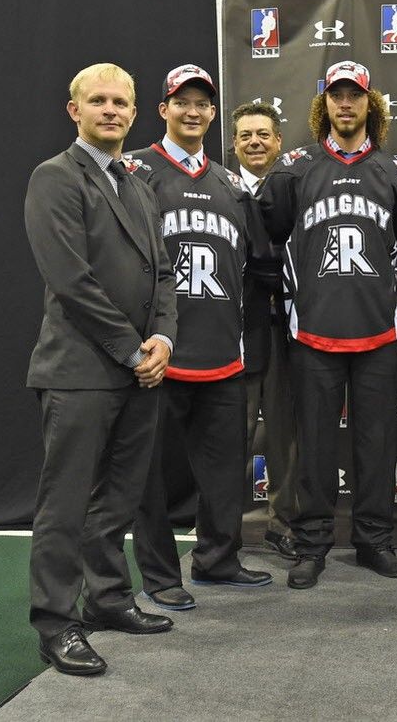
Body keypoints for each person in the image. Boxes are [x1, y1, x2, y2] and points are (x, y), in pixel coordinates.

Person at [24, 63, 177, 675]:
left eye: (120, 102)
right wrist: (133, 350)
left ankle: (108, 599)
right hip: (80, 371)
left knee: (119, 499)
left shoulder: (137, 183)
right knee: (64, 506)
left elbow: (163, 271)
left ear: (135, 113)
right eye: (98, 101)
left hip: (139, 370)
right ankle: (55, 623)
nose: (110, 110)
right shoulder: (55, 177)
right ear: (75, 110)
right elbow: (71, 281)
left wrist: (163, 336)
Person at [260, 60, 397, 589]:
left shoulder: (393, 173)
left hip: (377, 331)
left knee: (378, 442)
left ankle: (375, 539)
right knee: (316, 445)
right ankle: (312, 543)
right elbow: (269, 237)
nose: (345, 104)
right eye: (336, 95)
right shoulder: (295, 170)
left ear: (371, 103)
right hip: (314, 331)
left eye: (355, 95)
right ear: (323, 103)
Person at [129, 64, 272, 612]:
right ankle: (160, 574)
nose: (192, 111)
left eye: (202, 103)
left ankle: (217, 558)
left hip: (222, 355)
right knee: (153, 476)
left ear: (213, 113)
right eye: (181, 102)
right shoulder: (136, 170)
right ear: (162, 109)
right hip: (159, 353)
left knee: (224, 472)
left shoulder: (231, 185)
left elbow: (257, 266)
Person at [231, 102, 299, 561]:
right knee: (231, 434)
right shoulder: (220, 187)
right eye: (245, 135)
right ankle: (221, 531)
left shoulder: (300, 185)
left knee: (286, 435)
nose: (254, 142)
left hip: (290, 328)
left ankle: (284, 525)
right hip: (238, 328)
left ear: (278, 141)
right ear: (234, 145)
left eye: (262, 134)